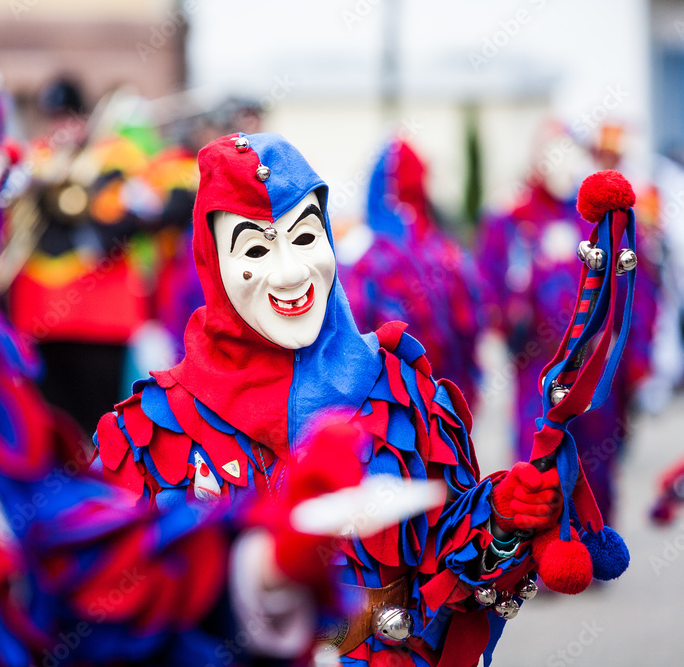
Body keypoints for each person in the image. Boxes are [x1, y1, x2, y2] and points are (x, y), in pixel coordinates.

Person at [0, 14, 370, 666]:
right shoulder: (45, 168)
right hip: (46, 324)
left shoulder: (116, 166)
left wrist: (254, 565)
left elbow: (57, 553)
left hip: (103, 325)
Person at [94, 132, 570, 665]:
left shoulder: (400, 389)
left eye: (304, 238)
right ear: (212, 263)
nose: (292, 272)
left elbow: (444, 553)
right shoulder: (144, 432)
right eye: (254, 249)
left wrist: (501, 516)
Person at [476, 121, 650, 524]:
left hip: (594, 361)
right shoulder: (512, 217)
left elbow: (635, 287)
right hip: (539, 363)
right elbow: (487, 280)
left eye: (566, 153)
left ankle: (590, 537)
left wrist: (630, 348)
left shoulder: (600, 220)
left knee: (595, 451)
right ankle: (537, 549)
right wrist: (507, 319)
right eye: (549, 153)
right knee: (537, 451)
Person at [340, 138, 485, 405]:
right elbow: (472, 328)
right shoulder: (449, 254)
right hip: (446, 404)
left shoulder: (363, 260)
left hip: (385, 409)